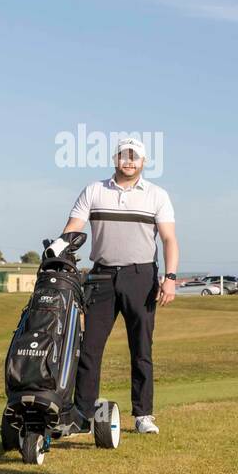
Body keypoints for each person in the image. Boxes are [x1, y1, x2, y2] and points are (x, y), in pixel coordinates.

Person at [60, 137, 178, 435]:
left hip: (141, 277)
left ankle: (143, 415)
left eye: (134, 157)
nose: (129, 162)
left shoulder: (156, 195)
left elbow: (168, 239)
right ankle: (83, 415)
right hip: (101, 277)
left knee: (140, 347)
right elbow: (73, 228)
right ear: (115, 159)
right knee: (88, 348)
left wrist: (171, 277)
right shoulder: (94, 190)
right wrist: (58, 254)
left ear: (143, 162)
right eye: (124, 156)